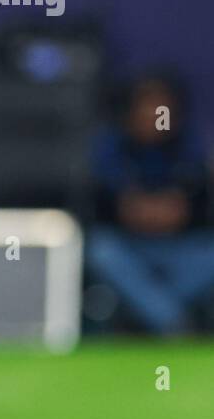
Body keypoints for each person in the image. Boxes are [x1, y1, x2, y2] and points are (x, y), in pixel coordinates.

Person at [87, 73, 214, 335]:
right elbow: (109, 204)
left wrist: (176, 210)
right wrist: (134, 209)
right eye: (146, 108)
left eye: (162, 110)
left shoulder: (190, 148)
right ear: (131, 112)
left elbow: (192, 206)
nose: (155, 117)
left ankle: (145, 320)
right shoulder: (112, 147)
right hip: (130, 249)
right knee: (101, 250)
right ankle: (172, 322)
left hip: (180, 249)